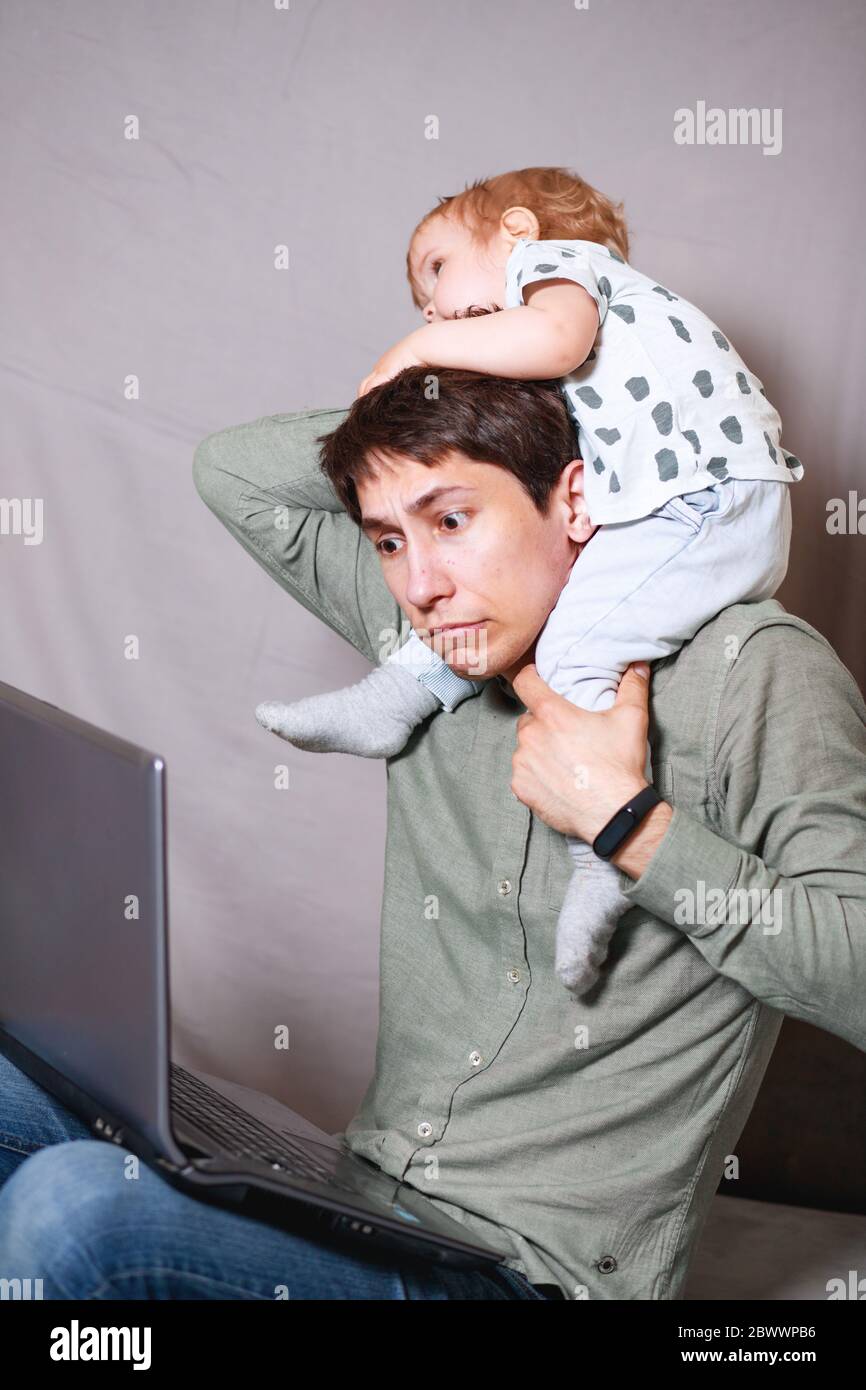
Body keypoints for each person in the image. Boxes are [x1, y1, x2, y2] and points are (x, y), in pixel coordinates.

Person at [1, 369, 863, 1300]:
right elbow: (231, 471)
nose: (418, 584)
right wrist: (476, 362)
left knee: (73, 1209)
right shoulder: (432, 644)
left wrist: (626, 823)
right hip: (370, 1194)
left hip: (536, 1275)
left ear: (576, 496)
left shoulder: (754, 673)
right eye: (386, 539)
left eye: (453, 520)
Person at [254, 166, 804, 995]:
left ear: (516, 231)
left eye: (436, 269)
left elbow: (552, 342)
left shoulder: (561, 269)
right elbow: (244, 469)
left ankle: (602, 858)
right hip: (681, 504)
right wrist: (430, 401)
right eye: (419, 307)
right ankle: (401, 693)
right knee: (561, 617)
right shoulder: (582, 389)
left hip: (709, 501)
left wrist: (416, 355)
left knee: (576, 647)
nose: (431, 309)